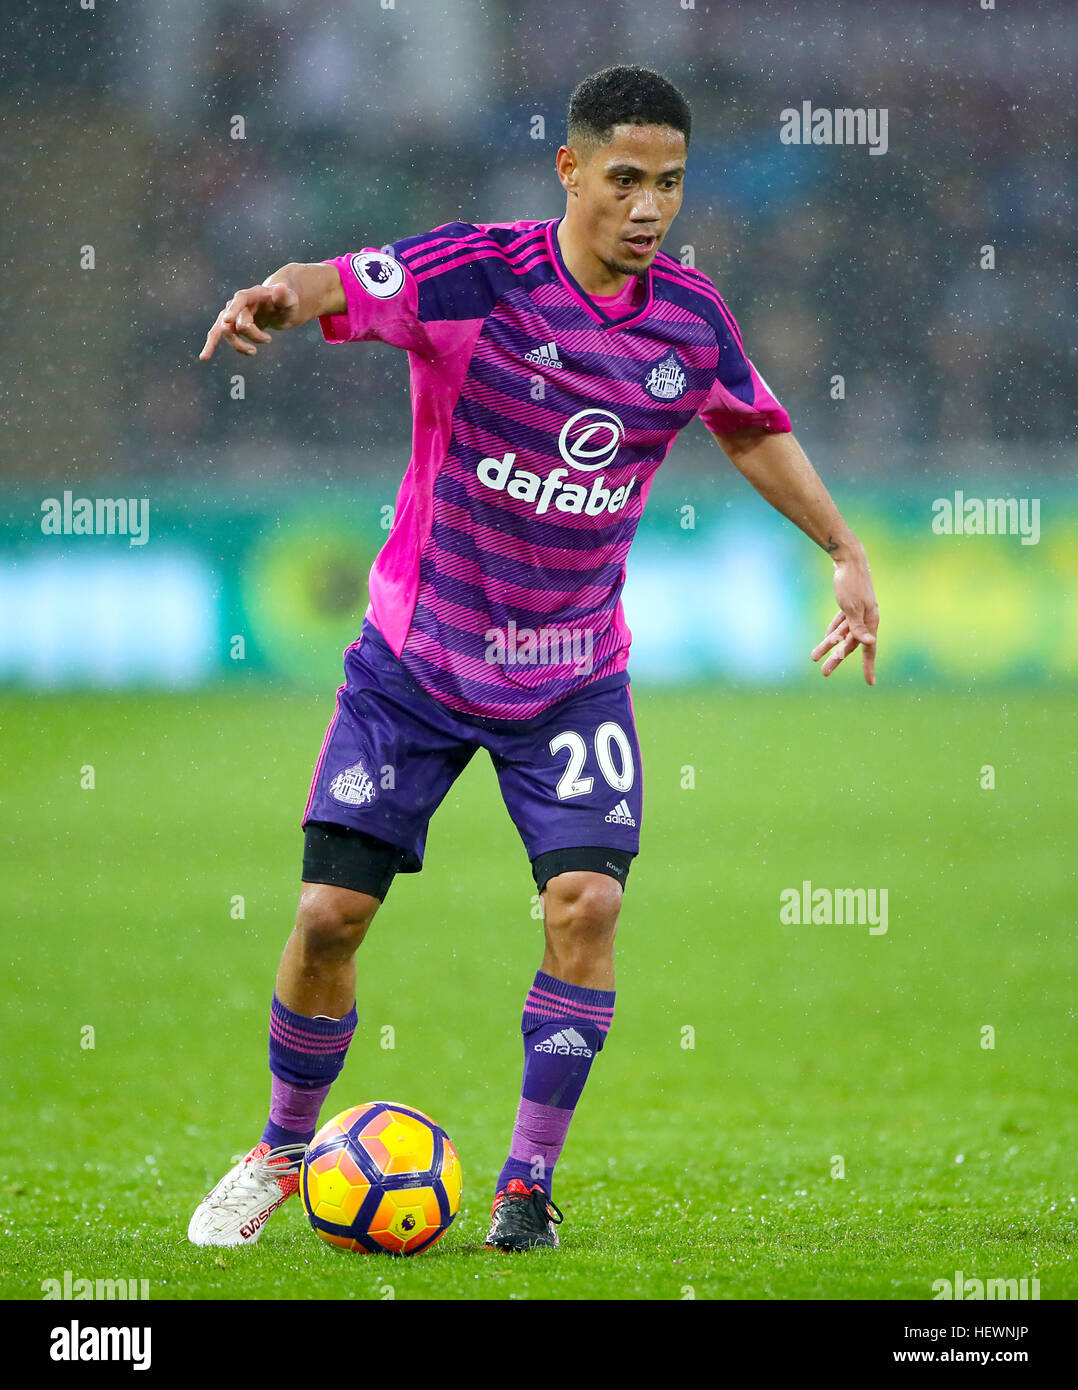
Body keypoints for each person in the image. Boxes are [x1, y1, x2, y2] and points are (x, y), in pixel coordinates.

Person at [189, 64, 878, 1253]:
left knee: (587, 901)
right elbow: (336, 279)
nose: (648, 206)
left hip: (570, 676)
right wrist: (272, 300)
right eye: (623, 179)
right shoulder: (479, 273)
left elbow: (751, 424)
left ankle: (524, 1188)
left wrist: (844, 548)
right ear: (570, 171)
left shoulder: (689, 320)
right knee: (327, 918)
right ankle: (282, 1150)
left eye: (667, 182)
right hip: (414, 661)